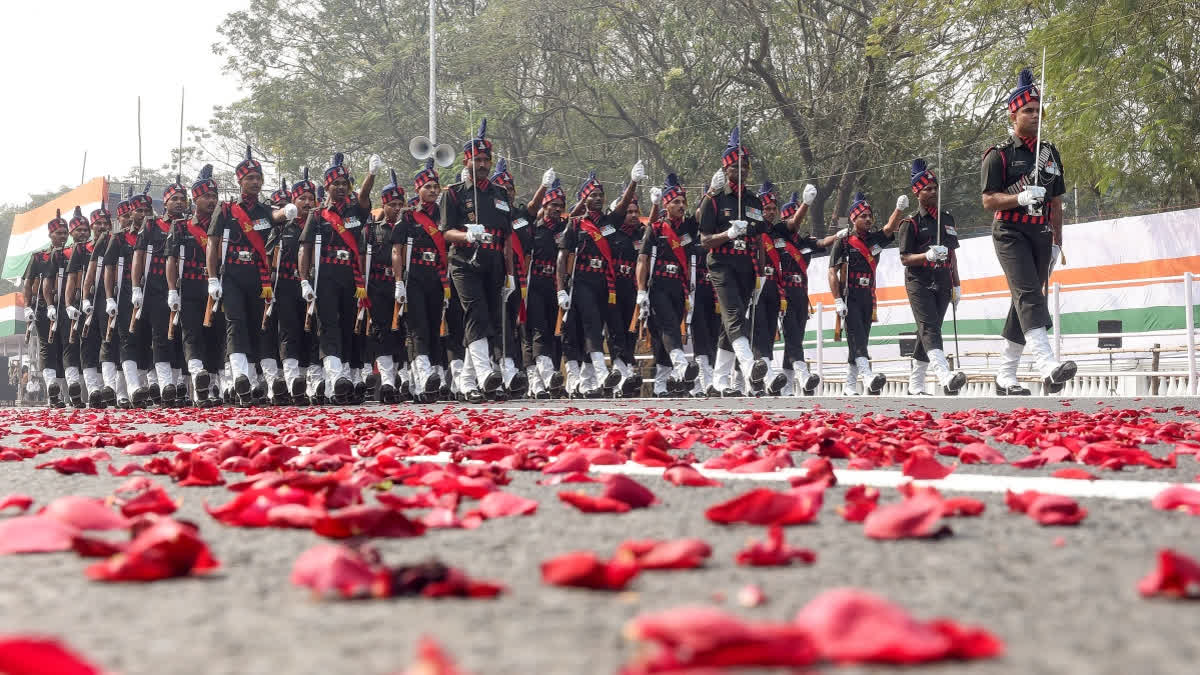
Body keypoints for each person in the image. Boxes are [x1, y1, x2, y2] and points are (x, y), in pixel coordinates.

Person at [982, 66, 1075, 395]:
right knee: (1029, 296)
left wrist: (1057, 244)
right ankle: (1047, 365)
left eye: (1038, 110)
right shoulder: (1000, 156)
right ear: (1013, 114)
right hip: (1010, 232)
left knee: (1023, 301)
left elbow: (1057, 202)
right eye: (1028, 110)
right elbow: (989, 200)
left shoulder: (1050, 153)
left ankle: (1005, 376)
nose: (1035, 115)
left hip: (1041, 235)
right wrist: (1018, 197)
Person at [206, 146, 297, 406]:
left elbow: (276, 216)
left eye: (258, 178)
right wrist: (213, 278)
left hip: (258, 277)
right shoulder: (225, 211)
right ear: (239, 181)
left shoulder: (263, 210)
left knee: (260, 325)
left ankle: (260, 380)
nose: (255, 182)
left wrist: (286, 211)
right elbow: (212, 244)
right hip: (232, 275)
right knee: (236, 323)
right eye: (250, 178)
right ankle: (240, 377)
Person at [440, 120, 516, 403]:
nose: (482, 164)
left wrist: (510, 275)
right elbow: (445, 232)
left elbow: (507, 236)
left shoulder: (499, 194)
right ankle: (485, 375)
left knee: (489, 318)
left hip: (494, 262)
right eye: (477, 159)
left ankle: (468, 382)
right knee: (475, 313)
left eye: (486, 160)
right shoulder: (454, 193)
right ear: (466, 160)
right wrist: (467, 236)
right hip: (464, 262)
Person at [297, 152, 380, 404]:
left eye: (345, 184)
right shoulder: (318, 214)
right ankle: (334, 378)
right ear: (328, 187)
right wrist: (304, 280)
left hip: (352, 278)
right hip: (326, 276)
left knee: (349, 327)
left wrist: (371, 174)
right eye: (337, 184)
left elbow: (365, 197)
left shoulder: (356, 211)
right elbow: (305, 248)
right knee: (329, 325)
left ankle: (347, 380)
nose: (342, 188)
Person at [558, 162, 644, 397]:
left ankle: (592, 382)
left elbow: (624, 205)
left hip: (606, 282)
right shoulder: (575, 224)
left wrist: (633, 181)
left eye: (601, 195)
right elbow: (562, 256)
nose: (598, 198)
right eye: (593, 195)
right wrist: (560, 289)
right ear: (584, 199)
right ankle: (601, 372)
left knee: (610, 328)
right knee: (591, 325)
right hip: (582, 280)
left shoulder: (609, 222)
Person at [698, 126, 766, 397]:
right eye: (736, 166)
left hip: (746, 266)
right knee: (735, 316)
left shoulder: (753, 200)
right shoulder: (714, 200)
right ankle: (751, 369)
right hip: (722, 265)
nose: (742, 170)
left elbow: (761, 233)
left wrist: (760, 271)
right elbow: (704, 240)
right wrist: (728, 233)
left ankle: (719, 381)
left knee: (732, 324)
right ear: (726, 169)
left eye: (746, 165)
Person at [898, 158, 967, 395]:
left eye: (935, 188)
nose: (933, 192)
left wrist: (957, 285)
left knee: (930, 329)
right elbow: (905, 258)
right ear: (917, 192)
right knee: (929, 327)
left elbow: (953, 256)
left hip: (943, 279)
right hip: (919, 281)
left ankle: (915, 384)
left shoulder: (947, 219)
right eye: (928, 188)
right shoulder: (911, 223)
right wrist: (926, 256)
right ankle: (944, 376)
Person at [828, 191, 902, 395]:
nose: (868, 219)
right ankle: (868, 377)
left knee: (860, 340)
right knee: (857, 336)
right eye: (863, 216)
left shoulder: (875, 239)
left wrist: (899, 209)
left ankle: (849, 386)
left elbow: (889, 228)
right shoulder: (843, 241)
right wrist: (837, 300)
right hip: (849, 295)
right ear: (853, 219)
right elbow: (832, 270)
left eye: (870, 216)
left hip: (868, 295)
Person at [166, 165, 225, 406]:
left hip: (216, 287)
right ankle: (197, 374)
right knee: (192, 333)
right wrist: (172, 289)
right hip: (190, 286)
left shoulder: (223, 223)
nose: (211, 201)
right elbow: (171, 260)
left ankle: (210, 387)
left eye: (214, 196)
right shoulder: (180, 226)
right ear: (195, 199)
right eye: (206, 196)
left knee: (215, 335)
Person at [638, 173, 699, 396]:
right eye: (676, 202)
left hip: (679, 288)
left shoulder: (688, 229)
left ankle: (660, 385)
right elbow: (643, 260)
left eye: (683, 202)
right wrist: (641, 290)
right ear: (666, 204)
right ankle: (682, 367)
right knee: (669, 326)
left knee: (663, 332)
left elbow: (703, 212)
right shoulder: (655, 229)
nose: (681, 206)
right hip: (659, 286)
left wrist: (711, 190)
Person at [131, 176, 190, 407]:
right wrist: (137, 287)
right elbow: (139, 256)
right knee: (161, 336)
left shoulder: (190, 225)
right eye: (173, 199)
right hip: (156, 288)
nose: (178, 203)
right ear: (164, 203)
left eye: (182, 199)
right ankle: (165, 384)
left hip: (188, 287)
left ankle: (179, 386)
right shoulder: (151, 225)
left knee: (182, 337)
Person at [517, 171, 566, 398]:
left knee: (556, 333)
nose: (557, 209)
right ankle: (539, 378)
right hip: (534, 285)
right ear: (544, 206)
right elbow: (525, 259)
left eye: (560, 205)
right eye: (553, 204)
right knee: (536, 331)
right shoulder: (533, 230)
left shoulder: (565, 230)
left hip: (555, 287)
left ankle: (551, 378)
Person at [772, 186, 826, 395]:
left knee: (797, 337)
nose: (799, 221)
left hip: (801, 294)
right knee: (792, 335)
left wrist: (840, 236)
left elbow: (821, 243)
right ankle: (803, 375)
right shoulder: (778, 239)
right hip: (784, 294)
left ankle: (786, 387)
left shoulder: (803, 241)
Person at [107, 184, 155, 406]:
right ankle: (129, 388)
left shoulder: (158, 234)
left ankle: (140, 389)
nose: (144, 215)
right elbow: (108, 269)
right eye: (139, 211)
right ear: (130, 214)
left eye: (147, 211)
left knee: (146, 339)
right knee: (128, 339)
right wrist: (110, 298)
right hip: (127, 293)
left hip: (154, 292)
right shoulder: (119, 239)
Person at [364, 169, 407, 403]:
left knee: (402, 331)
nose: (397, 208)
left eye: (400, 204)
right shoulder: (373, 229)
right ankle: (387, 379)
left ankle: (403, 377)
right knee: (381, 331)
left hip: (401, 284)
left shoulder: (407, 227)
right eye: (392, 204)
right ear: (384, 205)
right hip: (378, 284)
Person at [25, 211, 68, 407]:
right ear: (50, 235)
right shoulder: (39, 258)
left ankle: (62, 392)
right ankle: (52, 389)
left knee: (63, 348)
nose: (63, 236)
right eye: (59, 233)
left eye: (65, 232)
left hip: (67, 306)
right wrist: (27, 307)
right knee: (47, 347)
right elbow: (28, 283)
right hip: (44, 307)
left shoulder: (70, 254)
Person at [749, 181, 788, 395]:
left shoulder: (778, 232)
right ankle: (761, 377)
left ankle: (767, 374)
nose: (771, 212)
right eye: (766, 209)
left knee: (770, 329)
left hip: (774, 287)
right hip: (757, 285)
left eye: (774, 209)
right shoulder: (754, 230)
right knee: (759, 330)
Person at [57, 206, 95, 407]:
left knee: (88, 345)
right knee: (69, 345)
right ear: (71, 233)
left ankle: (87, 391)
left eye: (85, 230)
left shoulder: (91, 250)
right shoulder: (61, 254)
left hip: (89, 303)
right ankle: (72, 388)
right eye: (78, 230)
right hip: (66, 306)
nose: (82, 233)